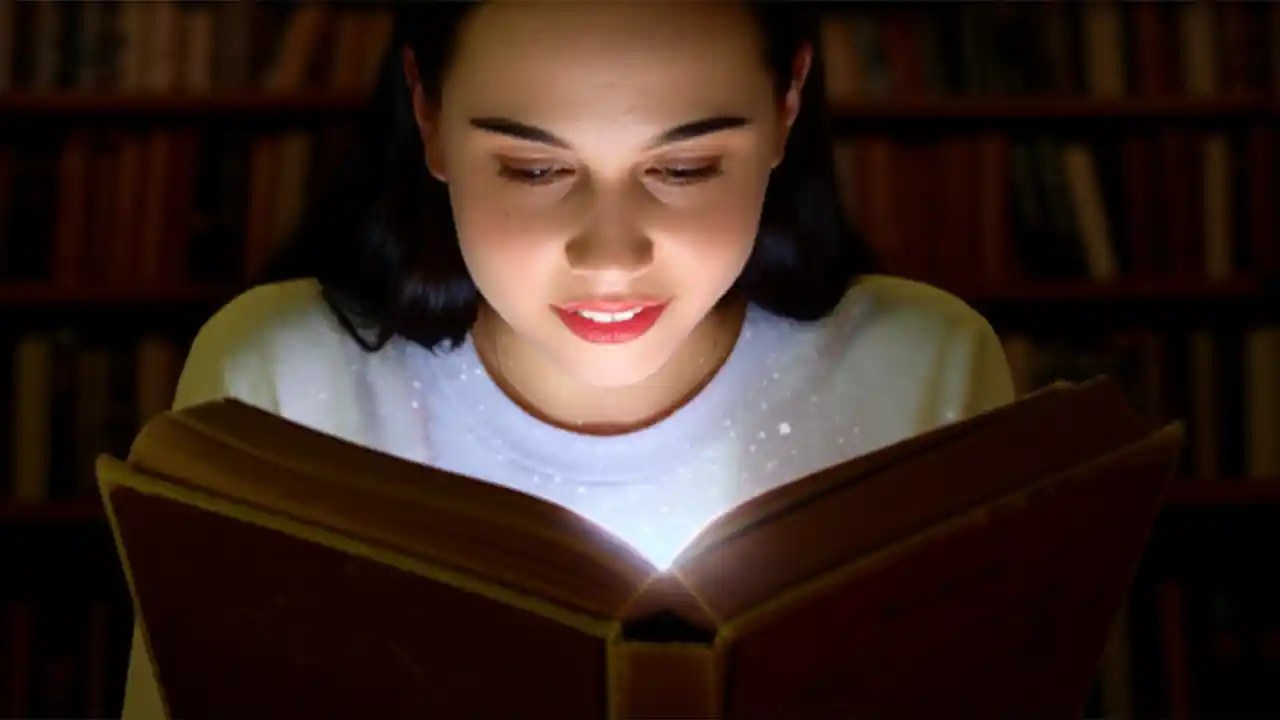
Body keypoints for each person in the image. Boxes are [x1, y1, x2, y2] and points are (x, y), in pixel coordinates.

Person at [120, 1, 1015, 716]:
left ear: (786, 108)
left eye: (689, 167)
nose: (612, 257)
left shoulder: (918, 375)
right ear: (428, 113)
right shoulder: (281, 388)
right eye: (535, 171)